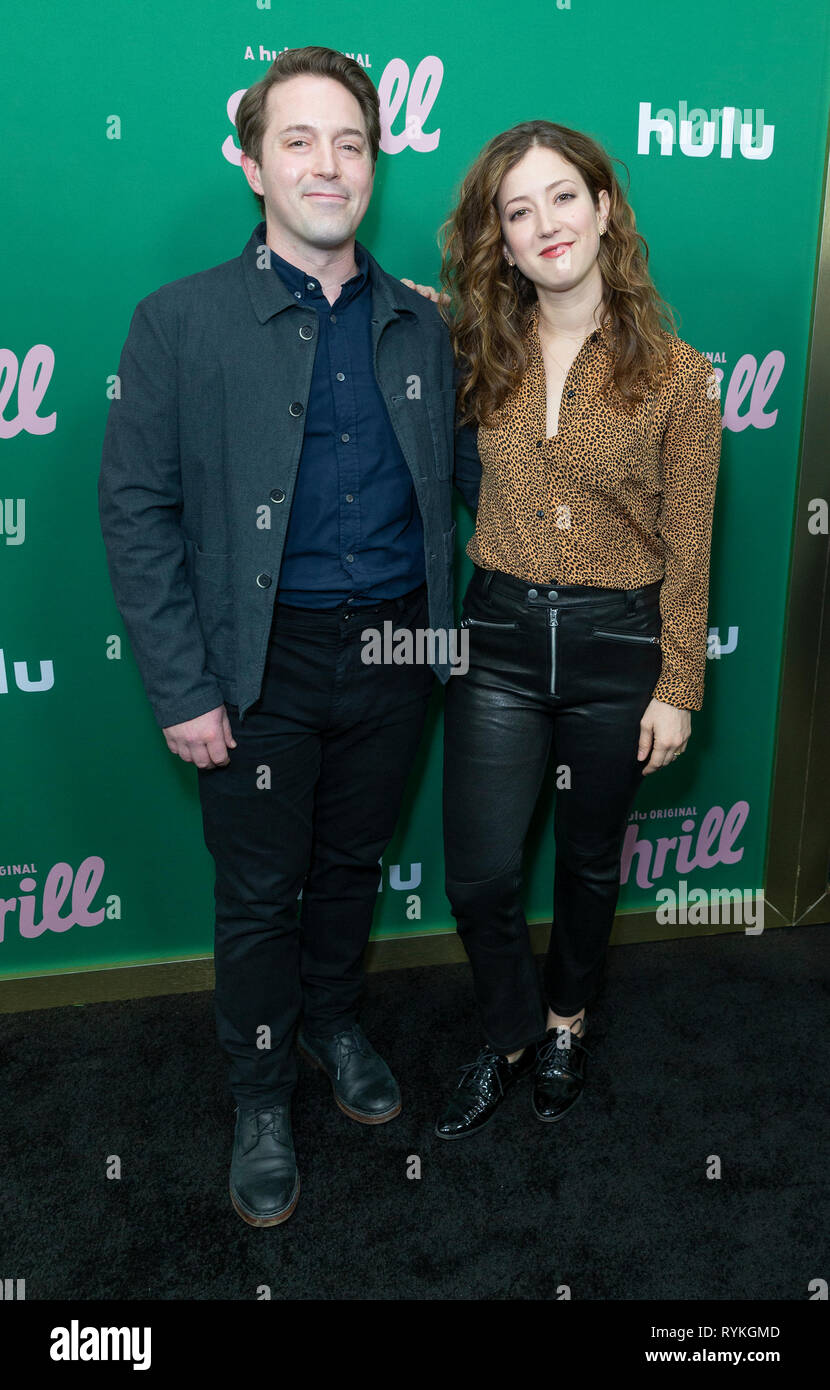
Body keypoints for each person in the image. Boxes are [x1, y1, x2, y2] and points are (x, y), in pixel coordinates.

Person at [98, 46, 479, 1225]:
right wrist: (179, 684)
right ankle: (260, 1091)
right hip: (255, 664)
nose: (328, 164)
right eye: (299, 141)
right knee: (259, 894)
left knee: (351, 867)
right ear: (252, 162)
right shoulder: (177, 322)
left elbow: (478, 484)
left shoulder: (426, 324)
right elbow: (136, 507)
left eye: (350, 143)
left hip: (398, 654)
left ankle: (329, 1019)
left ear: (375, 164)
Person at [422, 120, 722, 1138]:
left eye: (561, 197)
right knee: (479, 870)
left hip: (616, 646)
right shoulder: (469, 350)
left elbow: (689, 543)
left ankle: (563, 1025)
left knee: (591, 861)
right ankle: (507, 1032)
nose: (543, 223)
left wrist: (676, 684)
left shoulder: (681, 377)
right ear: (498, 241)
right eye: (517, 210)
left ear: (602, 210)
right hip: (498, 638)